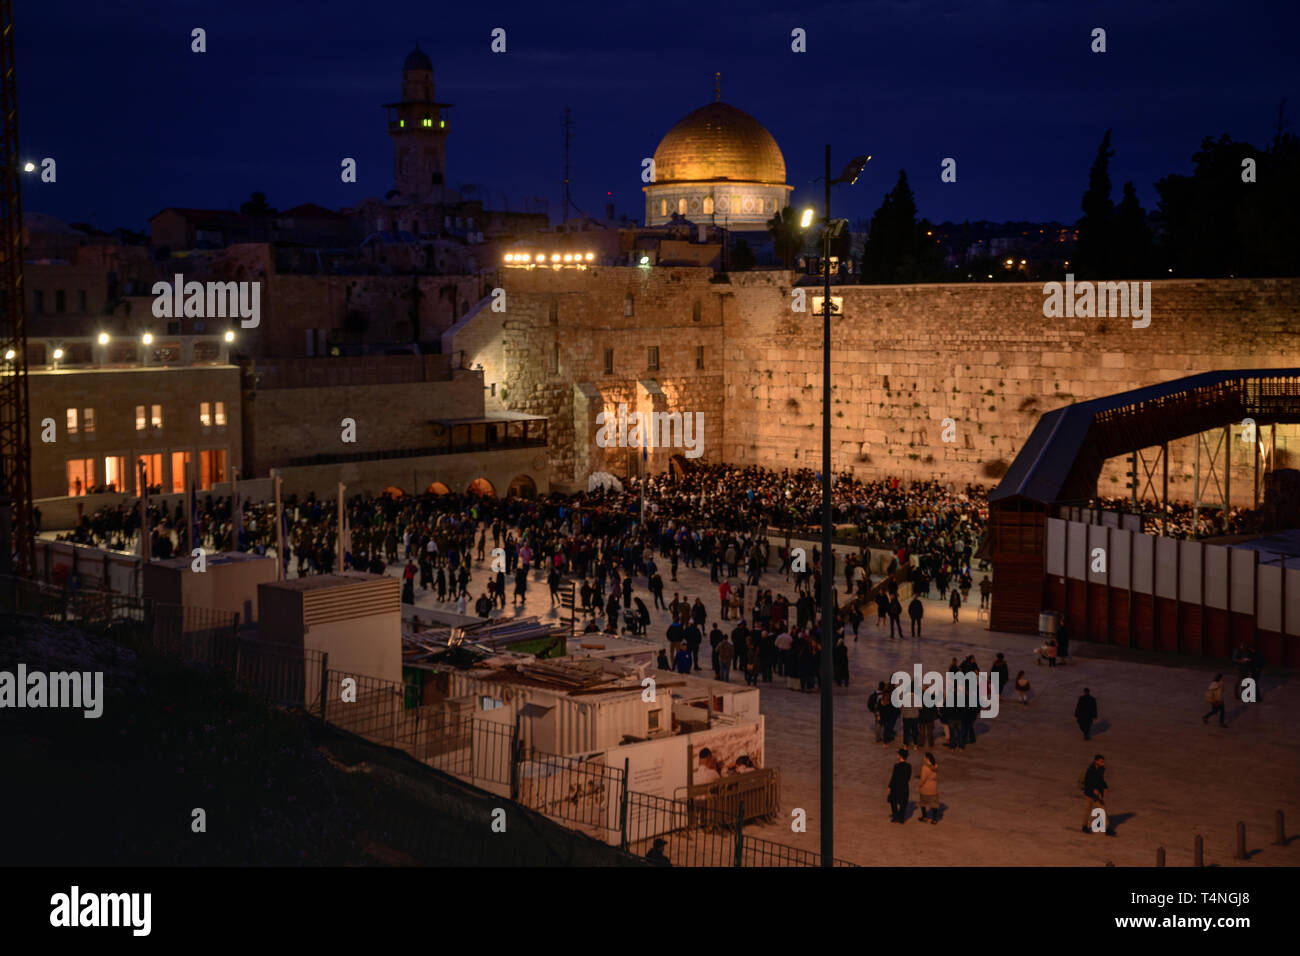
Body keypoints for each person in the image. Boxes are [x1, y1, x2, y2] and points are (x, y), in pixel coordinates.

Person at [1080, 754, 1108, 834]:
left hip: (1098, 794)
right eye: (1101, 761)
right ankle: (1084, 826)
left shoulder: (1101, 770)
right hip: (1089, 794)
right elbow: (1088, 783)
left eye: (1103, 761)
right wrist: (1093, 790)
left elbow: (1101, 780)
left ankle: (1108, 828)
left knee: (1103, 809)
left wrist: (1105, 786)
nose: (1103, 763)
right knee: (1087, 811)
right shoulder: (1090, 771)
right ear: (1096, 761)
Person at [886, 748, 912, 823]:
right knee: (903, 803)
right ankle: (901, 818)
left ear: (900, 756)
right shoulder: (908, 766)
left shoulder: (897, 766)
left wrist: (889, 786)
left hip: (896, 787)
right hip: (904, 786)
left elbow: (893, 777)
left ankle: (895, 816)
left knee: (893, 802)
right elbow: (908, 778)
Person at [918, 752, 940, 824]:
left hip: (926, 788)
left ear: (927, 758)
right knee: (934, 804)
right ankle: (934, 819)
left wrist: (919, 785)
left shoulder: (925, 767)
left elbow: (923, 779)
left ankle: (924, 817)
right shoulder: (935, 766)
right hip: (933, 787)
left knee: (923, 803)